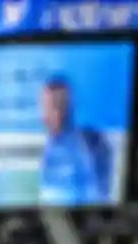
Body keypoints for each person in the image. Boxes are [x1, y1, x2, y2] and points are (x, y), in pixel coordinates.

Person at [38, 76, 112, 206]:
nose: (44, 115)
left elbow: (99, 194)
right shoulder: (50, 145)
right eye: (43, 106)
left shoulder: (86, 146)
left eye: (51, 107)